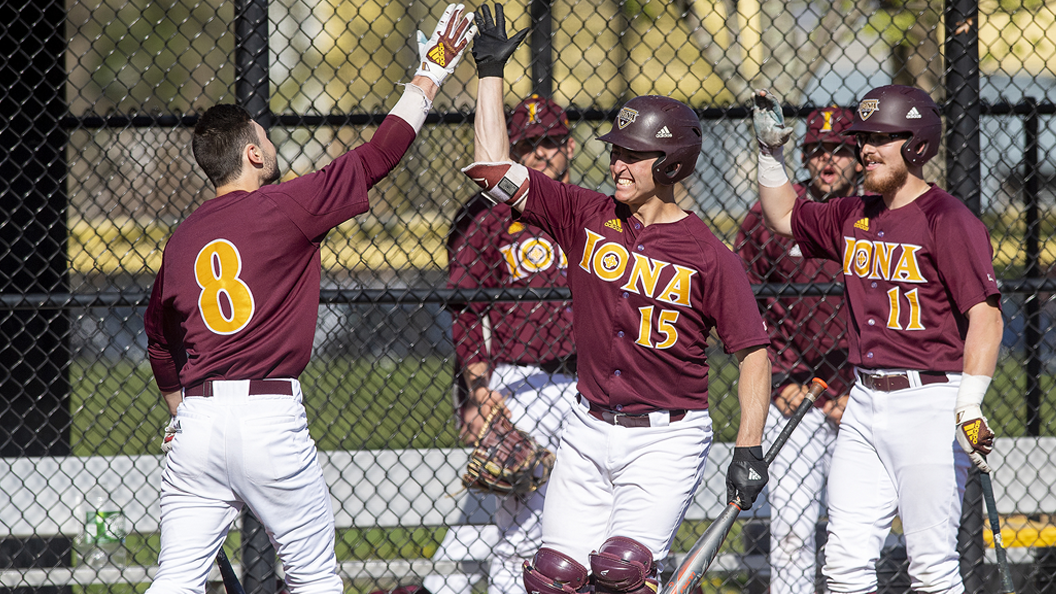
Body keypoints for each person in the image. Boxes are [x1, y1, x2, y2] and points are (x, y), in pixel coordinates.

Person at [142, 6, 477, 593]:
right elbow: (381, 154)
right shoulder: (286, 205)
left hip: (197, 422)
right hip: (267, 416)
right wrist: (431, 73)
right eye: (265, 139)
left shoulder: (182, 239)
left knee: (175, 582)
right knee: (314, 579)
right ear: (251, 154)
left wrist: (178, 410)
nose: (272, 145)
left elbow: (158, 341)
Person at [461, 5, 772, 594]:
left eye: (634, 154)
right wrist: (490, 75)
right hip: (587, 426)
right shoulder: (586, 214)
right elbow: (493, 173)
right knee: (552, 579)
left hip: (667, 435)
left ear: (673, 162)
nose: (618, 162)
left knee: (622, 570)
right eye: (616, 150)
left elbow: (753, 352)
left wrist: (748, 445)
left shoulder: (708, 253)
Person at [752, 85, 1003, 594]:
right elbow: (783, 216)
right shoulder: (854, 213)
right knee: (843, 563)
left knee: (931, 567)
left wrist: (970, 405)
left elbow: (986, 318)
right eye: (862, 138)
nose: (864, 149)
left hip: (930, 401)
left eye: (880, 138)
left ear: (917, 144)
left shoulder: (947, 219)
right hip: (865, 401)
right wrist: (770, 153)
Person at [423, 93, 578, 594]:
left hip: (591, 382)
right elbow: (466, 311)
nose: (541, 154)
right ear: (515, 153)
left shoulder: (592, 212)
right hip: (520, 384)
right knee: (518, 528)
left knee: (584, 520)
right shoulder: (487, 218)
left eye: (551, 142)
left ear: (570, 147)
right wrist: (479, 392)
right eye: (530, 145)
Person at [734, 107, 859, 594]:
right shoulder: (770, 218)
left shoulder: (876, 214)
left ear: (858, 156)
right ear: (804, 157)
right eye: (817, 151)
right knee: (790, 529)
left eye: (840, 151)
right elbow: (743, 307)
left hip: (864, 393)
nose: (828, 162)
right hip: (797, 397)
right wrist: (782, 378)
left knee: (856, 530)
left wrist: (855, 391)